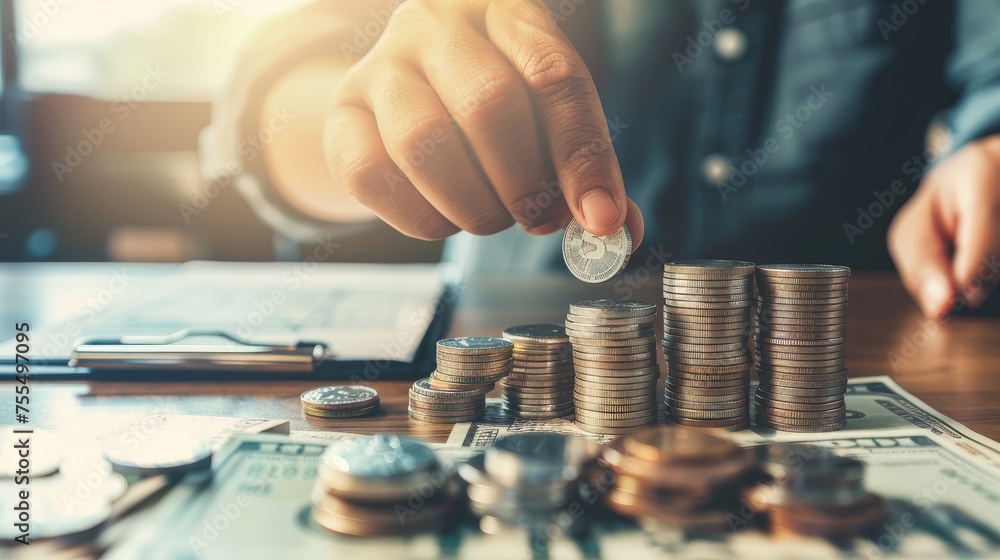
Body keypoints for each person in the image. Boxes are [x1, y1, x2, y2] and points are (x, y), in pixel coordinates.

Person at [202, 0, 1000, 319]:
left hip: (847, 355)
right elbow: (275, 110)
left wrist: (988, 149)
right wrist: (361, 122)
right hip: (516, 354)